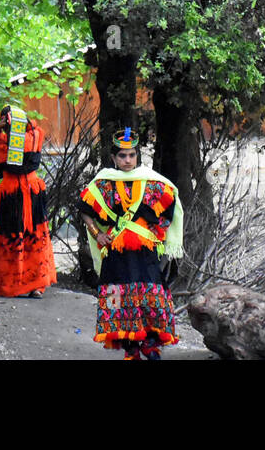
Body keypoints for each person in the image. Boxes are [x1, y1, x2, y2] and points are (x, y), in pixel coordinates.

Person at [76, 127, 184, 360]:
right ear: (114, 158)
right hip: (116, 252)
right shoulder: (105, 182)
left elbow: (170, 206)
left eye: (132, 155)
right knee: (117, 298)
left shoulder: (152, 181)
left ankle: (149, 344)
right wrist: (97, 234)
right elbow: (85, 209)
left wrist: (159, 232)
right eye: (122, 156)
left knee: (153, 296)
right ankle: (131, 349)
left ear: (137, 156)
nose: (127, 160)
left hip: (145, 252)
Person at [0, 105, 58, 298]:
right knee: (36, 235)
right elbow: (37, 129)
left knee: (9, 237)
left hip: (10, 194)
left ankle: (10, 284)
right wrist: (28, 123)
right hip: (33, 190)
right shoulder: (34, 138)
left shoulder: (0, 142)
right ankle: (37, 285)